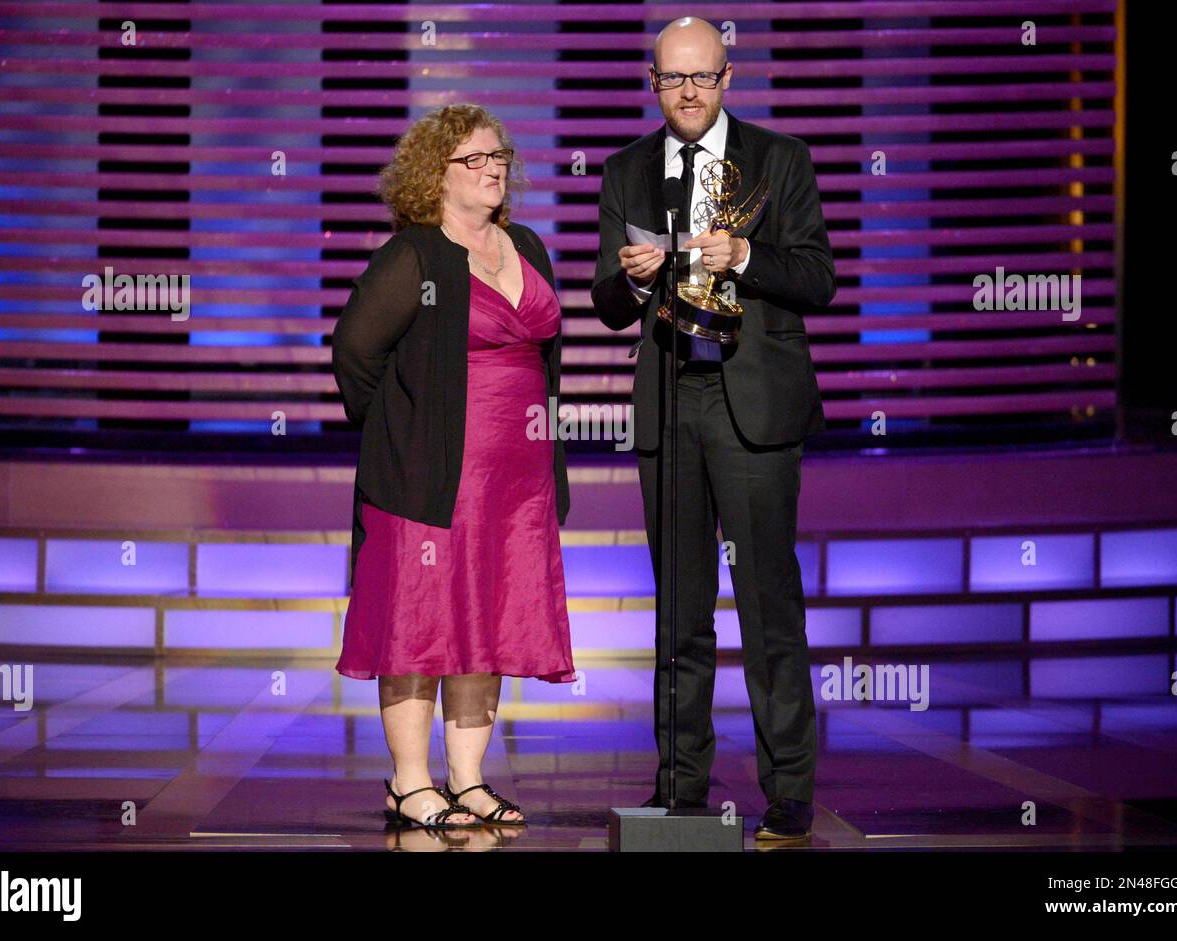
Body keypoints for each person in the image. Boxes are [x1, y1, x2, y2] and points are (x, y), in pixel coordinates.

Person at [590, 17, 836, 843]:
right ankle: (680, 788)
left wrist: (744, 257)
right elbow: (605, 302)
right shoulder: (627, 171)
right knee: (678, 612)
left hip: (754, 407)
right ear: (652, 82)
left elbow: (817, 278)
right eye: (673, 78)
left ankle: (790, 791)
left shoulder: (780, 159)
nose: (689, 91)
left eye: (703, 76)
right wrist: (631, 282)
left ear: (726, 78)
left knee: (770, 607)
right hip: (670, 402)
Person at [331, 103, 575, 832]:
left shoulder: (525, 243)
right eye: (475, 158)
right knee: (419, 627)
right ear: (434, 175)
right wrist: (405, 432)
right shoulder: (415, 255)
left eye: (499, 154)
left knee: (487, 625)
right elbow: (354, 353)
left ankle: (467, 779)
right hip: (429, 480)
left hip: (517, 480)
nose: (494, 166)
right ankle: (410, 782)